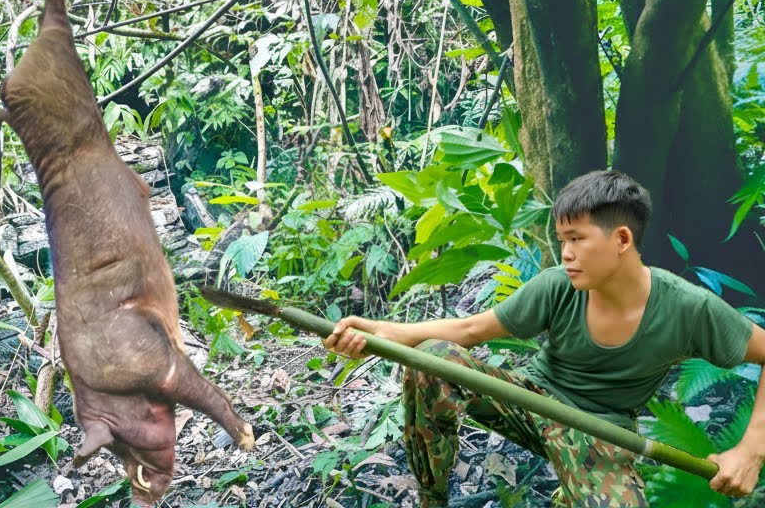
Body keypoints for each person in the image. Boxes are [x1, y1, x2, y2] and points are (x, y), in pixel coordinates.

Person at [324, 170, 765, 507]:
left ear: (622, 239)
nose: (565, 253)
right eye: (561, 240)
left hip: (600, 431)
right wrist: (387, 332)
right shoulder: (558, 284)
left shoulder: (688, 308)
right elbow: (470, 331)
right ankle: (432, 500)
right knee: (431, 357)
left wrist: (751, 450)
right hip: (529, 401)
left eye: (576, 239)